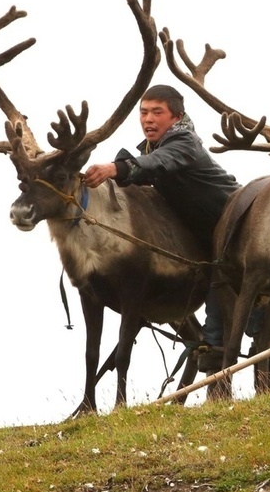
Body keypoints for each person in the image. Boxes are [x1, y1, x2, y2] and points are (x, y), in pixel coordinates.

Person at [83, 84, 239, 373]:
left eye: (157, 112)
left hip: (233, 228)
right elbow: (141, 171)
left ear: (177, 117)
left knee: (241, 313)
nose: (148, 119)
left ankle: (269, 369)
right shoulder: (149, 148)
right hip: (203, 237)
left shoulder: (184, 142)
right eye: (143, 113)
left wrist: (114, 169)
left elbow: (154, 164)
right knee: (214, 331)